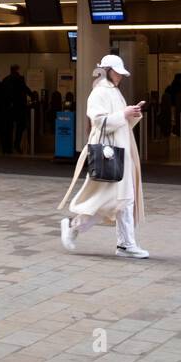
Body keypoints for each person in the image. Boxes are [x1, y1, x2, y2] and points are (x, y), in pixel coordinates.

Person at [57, 54, 149, 259]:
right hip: (111, 153)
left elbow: (114, 121)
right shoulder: (99, 92)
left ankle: (124, 243)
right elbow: (98, 122)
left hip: (117, 152)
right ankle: (120, 242)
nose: (120, 77)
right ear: (107, 70)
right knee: (115, 200)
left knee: (120, 200)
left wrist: (130, 114)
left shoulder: (112, 91)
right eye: (117, 72)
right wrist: (124, 114)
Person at [1, 64, 31, 152]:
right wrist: (32, 95)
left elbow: (2, 93)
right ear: (17, 70)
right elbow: (25, 89)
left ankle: (7, 147)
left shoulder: (5, 80)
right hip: (19, 107)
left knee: (8, 128)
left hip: (8, 108)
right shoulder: (20, 79)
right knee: (20, 126)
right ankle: (16, 144)